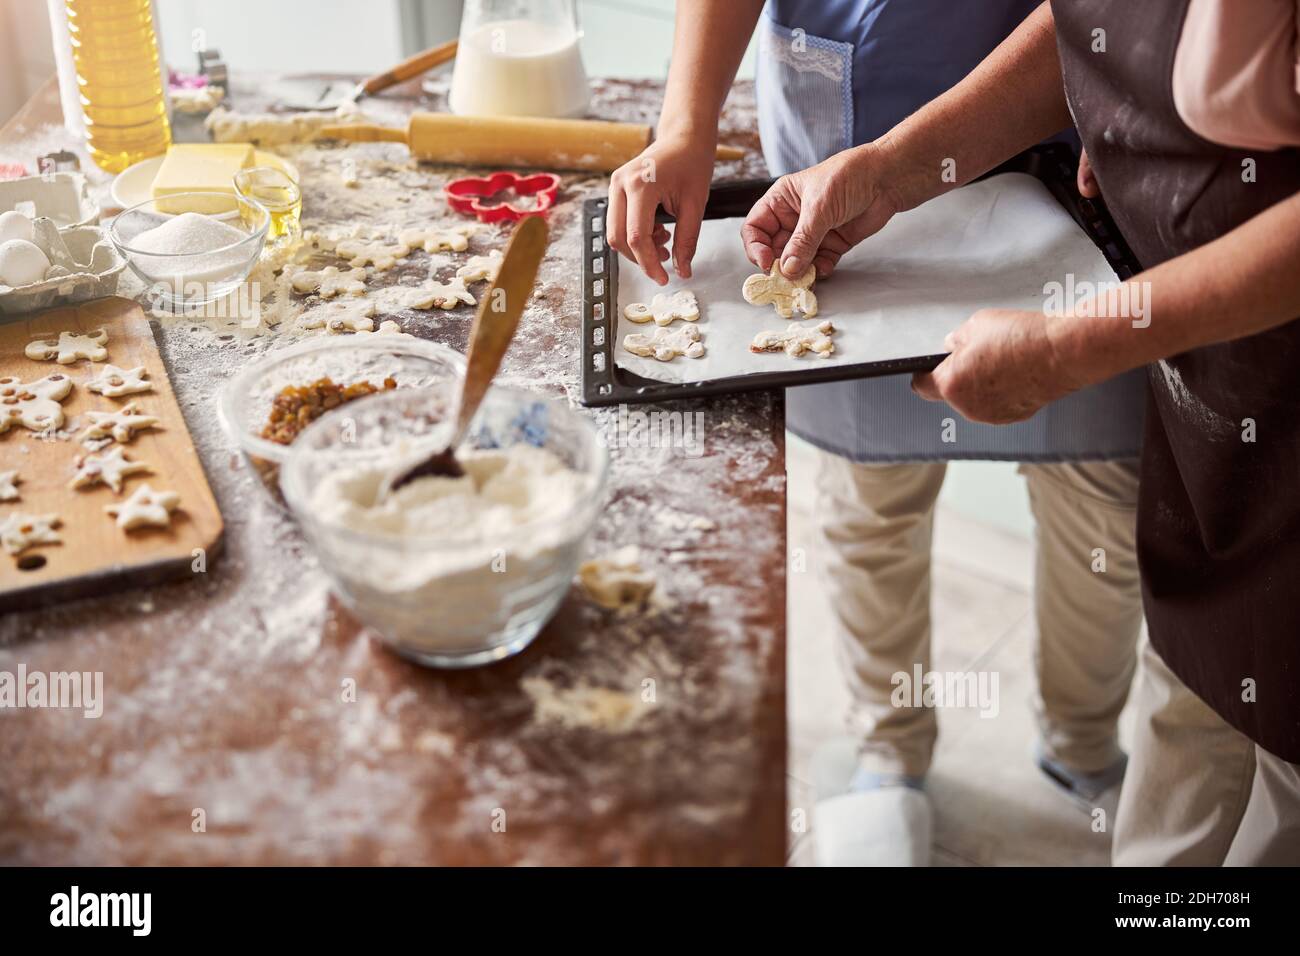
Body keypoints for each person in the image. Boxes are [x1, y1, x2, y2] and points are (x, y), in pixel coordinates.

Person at [739, 0, 1300, 864]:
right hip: (1213, 391)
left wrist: (1081, 344)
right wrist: (890, 171)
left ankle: (1082, 745)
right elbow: (1096, 23)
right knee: (1189, 701)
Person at [608, 1, 1146, 865]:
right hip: (846, 125)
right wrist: (685, 123)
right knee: (867, 511)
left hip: (1073, 133)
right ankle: (888, 754)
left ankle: (1082, 739)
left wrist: (896, 169)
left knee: (1105, 519)